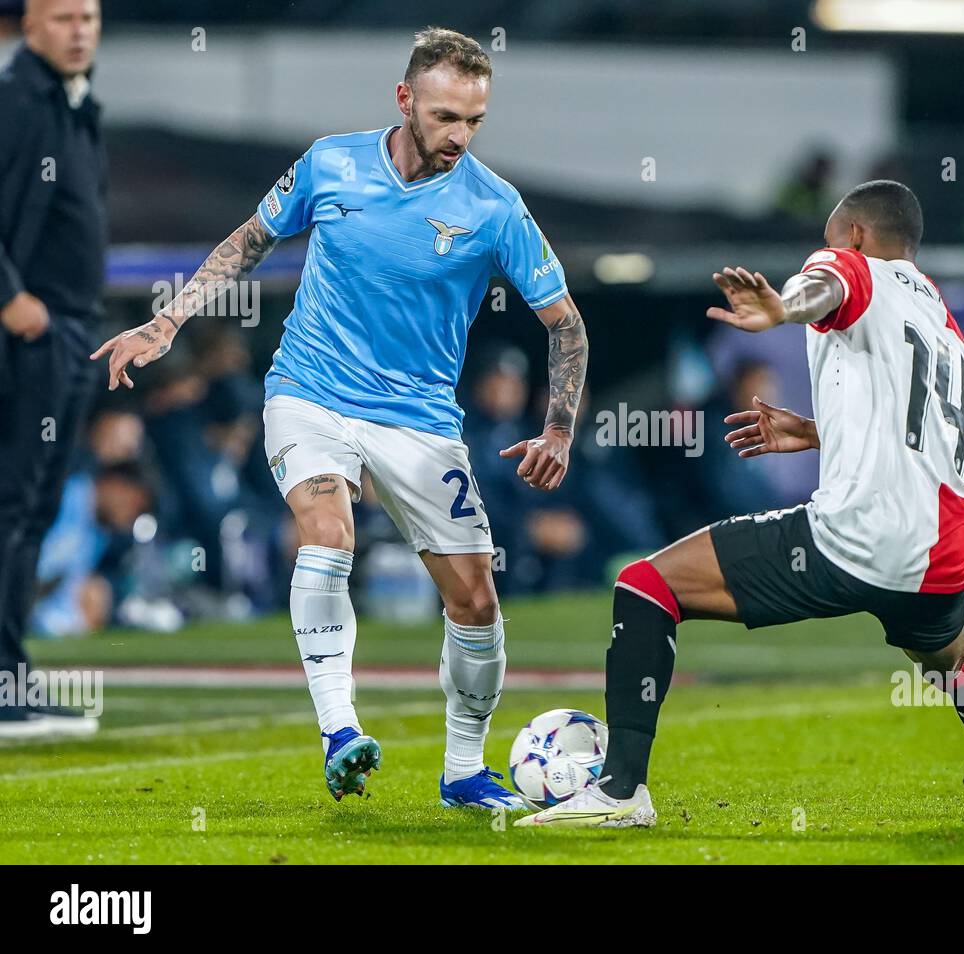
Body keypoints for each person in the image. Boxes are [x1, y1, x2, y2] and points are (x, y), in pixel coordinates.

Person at [91, 27, 589, 809]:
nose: (459, 135)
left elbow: (565, 322)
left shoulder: (495, 205)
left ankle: (463, 771)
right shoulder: (332, 163)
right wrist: (169, 323)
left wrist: (559, 429)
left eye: (474, 121)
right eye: (445, 115)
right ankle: (339, 733)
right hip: (309, 392)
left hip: (420, 421)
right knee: (327, 533)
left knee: (476, 601)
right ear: (405, 100)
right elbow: (250, 241)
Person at [519, 181, 964, 828]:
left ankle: (619, 793)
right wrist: (817, 432)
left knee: (646, 587)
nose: (823, 247)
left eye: (830, 235)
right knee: (953, 662)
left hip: (866, 532)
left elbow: (830, 286)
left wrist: (783, 306)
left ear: (859, 235)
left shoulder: (849, 265)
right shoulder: (943, 324)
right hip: (943, 545)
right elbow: (919, 430)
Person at [0, 0, 104, 739]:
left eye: (89, 18)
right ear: (28, 25)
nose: (79, 31)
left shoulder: (76, 104)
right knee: (11, 505)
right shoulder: (18, 103)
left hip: (69, 331)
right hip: (29, 336)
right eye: (63, 17)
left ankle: (14, 675)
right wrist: (11, 299)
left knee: (34, 508)